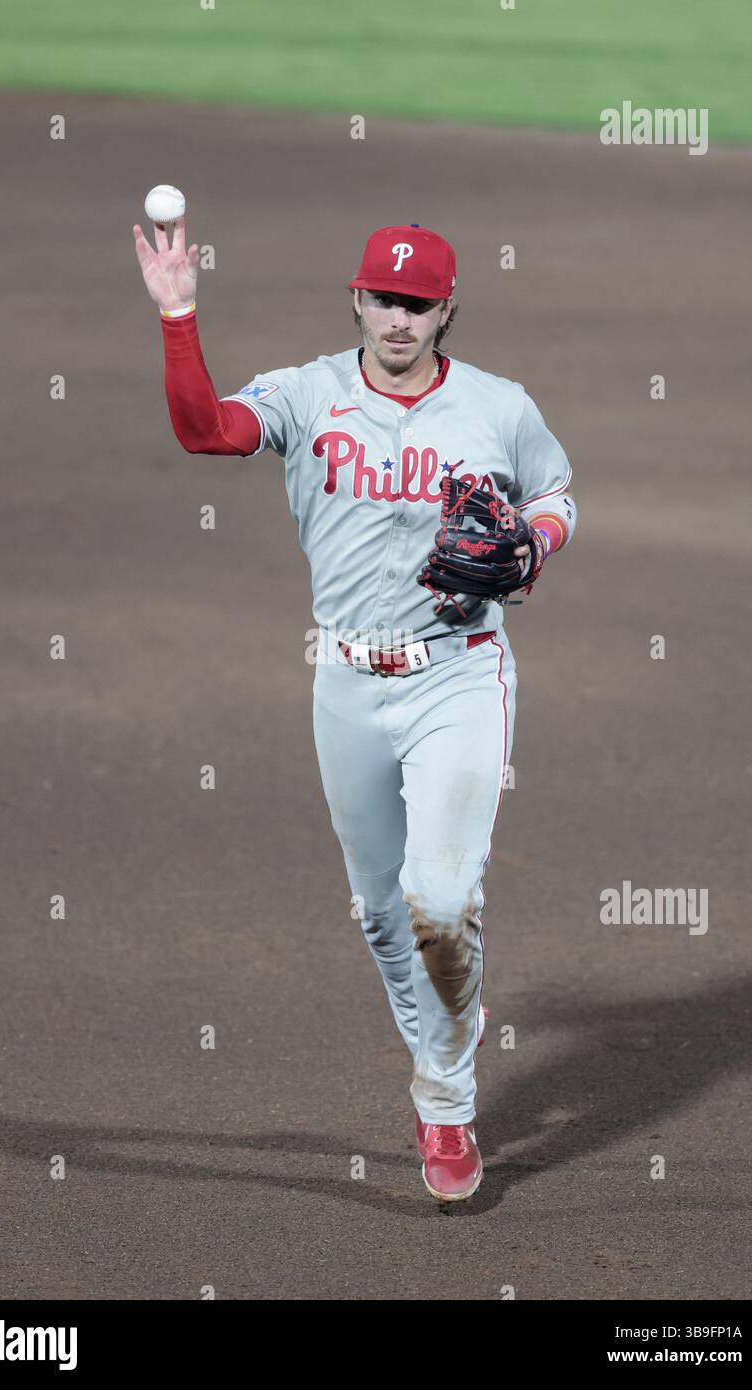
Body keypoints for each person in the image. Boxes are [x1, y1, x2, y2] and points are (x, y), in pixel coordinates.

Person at [133, 216, 577, 1201]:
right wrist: (176, 313)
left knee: (441, 899)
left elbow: (553, 493)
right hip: (344, 683)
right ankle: (439, 1059)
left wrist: (534, 545)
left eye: (417, 303)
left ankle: (446, 1101)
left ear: (446, 309)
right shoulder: (306, 393)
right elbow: (204, 429)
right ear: (356, 296)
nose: (397, 318)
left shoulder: (498, 407)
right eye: (383, 297)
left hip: (457, 675)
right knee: (382, 914)